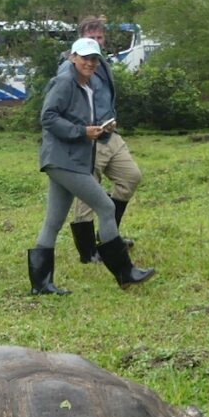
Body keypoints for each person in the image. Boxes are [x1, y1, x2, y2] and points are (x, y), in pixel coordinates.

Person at [28, 37, 154, 294]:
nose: (90, 63)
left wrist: (101, 127)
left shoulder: (87, 87)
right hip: (64, 160)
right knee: (106, 207)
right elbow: (48, 117)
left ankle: (41, 285)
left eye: (94, 58)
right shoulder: (64, 82)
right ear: (73, 57)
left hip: (69, 158)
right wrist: (82, 131)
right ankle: (124, 272)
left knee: (53, 221)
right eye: (84, 57)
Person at [62, 16, 142, 263]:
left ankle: (108, 235)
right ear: (79, 41)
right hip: (87, 138)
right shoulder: (69, 67)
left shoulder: (102, 63)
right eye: (90, 38)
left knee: (130, 177)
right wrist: (80, 129)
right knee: (87, 197)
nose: (96, 42)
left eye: (99, 37)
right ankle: (88, 253)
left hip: (110, 134)